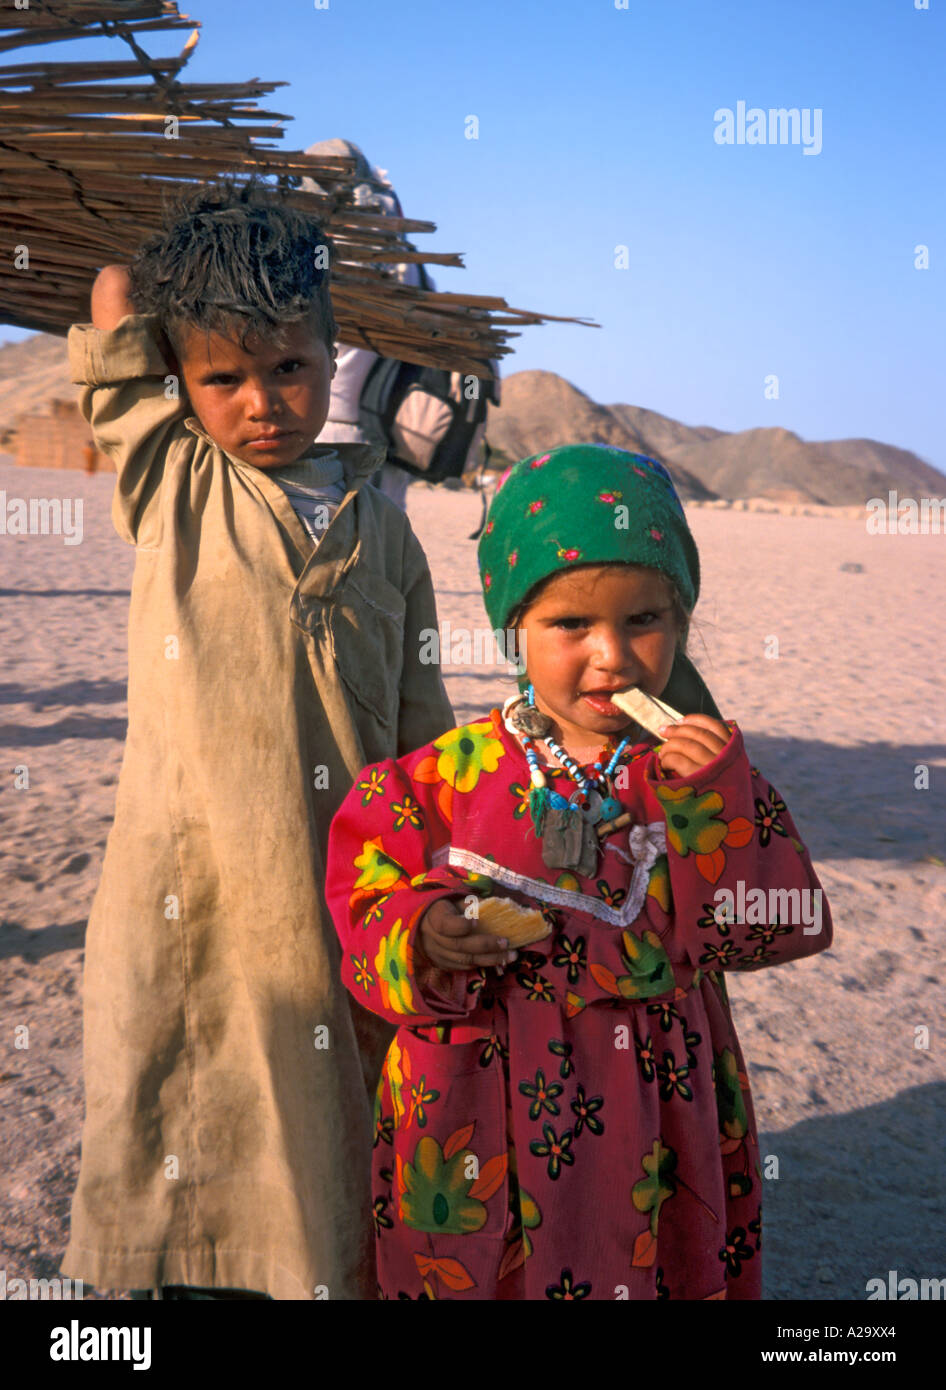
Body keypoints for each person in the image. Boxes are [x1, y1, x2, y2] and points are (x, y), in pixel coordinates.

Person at [60, 178, 454, 1300]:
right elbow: (115, 305)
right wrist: (206, 261)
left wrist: (432, 865)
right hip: (188, 875)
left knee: (319, 1116)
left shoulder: (385, 535)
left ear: (331, 360)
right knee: (176, 1079)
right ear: (179, 387)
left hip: (340, 883)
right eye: (219, 377)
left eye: (287, 367)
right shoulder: (176, 482)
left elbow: (424, 724)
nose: (259, 401)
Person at [325, 443, 833, 1300]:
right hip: (478, 1103)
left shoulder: (696, 777)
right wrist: (426, 930)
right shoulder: (433, 783)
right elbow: (362, 914)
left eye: (645, 621)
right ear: (513, 629)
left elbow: (771, 925)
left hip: (656, 1097)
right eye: (571, 626)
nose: (613, 657)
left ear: (680, 624)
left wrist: (715, 803)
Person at [300, 138, 431, 513]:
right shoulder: (403, 253)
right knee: (381, 556)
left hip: (321, 431)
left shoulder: (310, 249)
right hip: (385, 435)